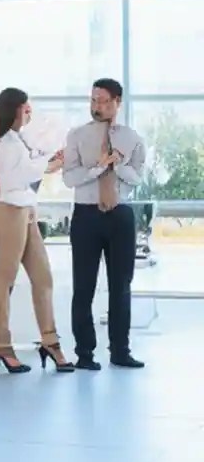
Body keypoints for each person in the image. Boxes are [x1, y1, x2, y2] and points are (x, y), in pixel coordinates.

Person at [62, 78, 147, 370]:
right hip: (86, 215)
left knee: (121, 286)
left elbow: (137, 179)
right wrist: (98, 166)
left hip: (121, 215)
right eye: (93, 100)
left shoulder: (132, 138)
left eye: (103, 101)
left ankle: (120, 351)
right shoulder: (76, 136)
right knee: (83, 287)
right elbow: (69, 178)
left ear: (117, 102)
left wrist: (118, 164)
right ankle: (84, 354)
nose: (96, 106)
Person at [0, 87, 71, 374]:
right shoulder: (5, 144)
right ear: (14, 110)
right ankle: (1, 344)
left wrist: (50, 163)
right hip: (10, 212)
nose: (30, 113)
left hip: (26, 210)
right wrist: (48, 163)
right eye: (26, 109)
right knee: (4, 281)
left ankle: (50, 340)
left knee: (43, 276)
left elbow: (30, 170)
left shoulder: (17, 141)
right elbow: (21, 175)